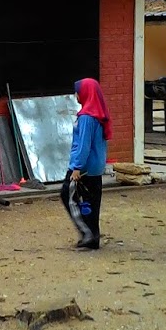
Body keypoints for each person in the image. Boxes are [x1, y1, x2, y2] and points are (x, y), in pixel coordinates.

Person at [64, 78, 110, 251]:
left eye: (77, 91)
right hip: (96, 167)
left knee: (69, 197)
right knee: (91, 202)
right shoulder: (99, 114)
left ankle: (87, 234)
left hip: (83, 168)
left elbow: (84, 145)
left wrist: (76, 167)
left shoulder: (86, 117)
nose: (75, 95)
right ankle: (93, 236)